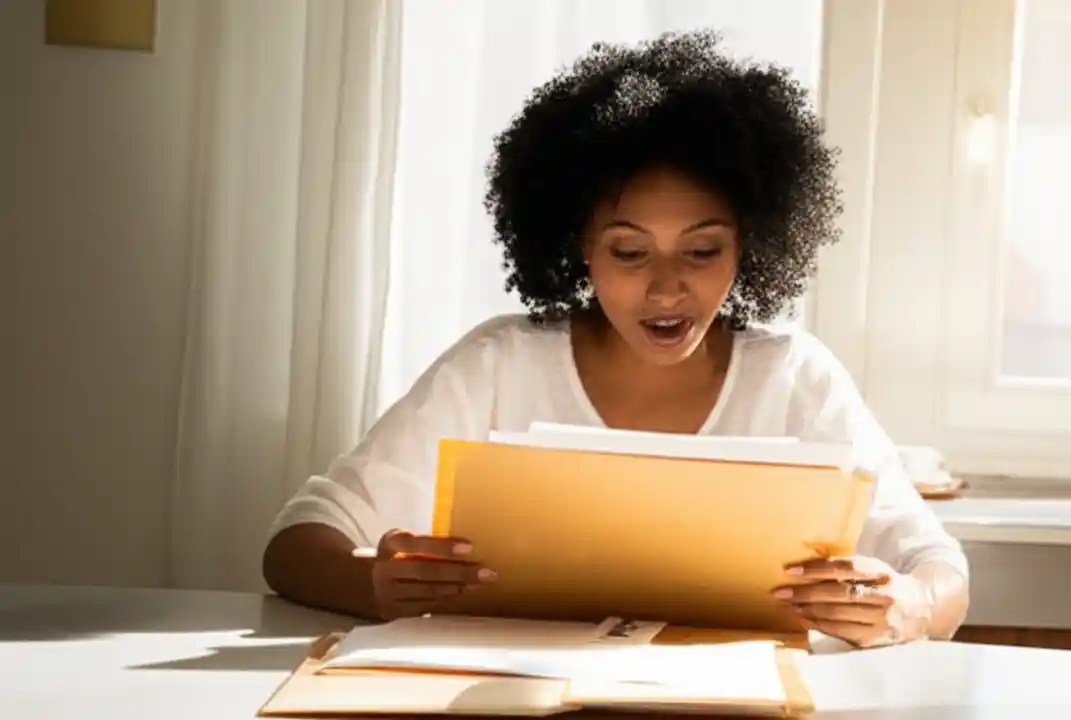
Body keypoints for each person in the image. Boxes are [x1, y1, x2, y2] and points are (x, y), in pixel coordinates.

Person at [262, 30, 969, 648]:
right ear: (580, 248)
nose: (666, 289)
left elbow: (939, 572)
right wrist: (375, 582)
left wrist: (907, 606)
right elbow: (295, 546)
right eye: (630, 254)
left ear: (750, 246)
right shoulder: (499, 365)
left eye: (701, 252)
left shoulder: (794, 377)